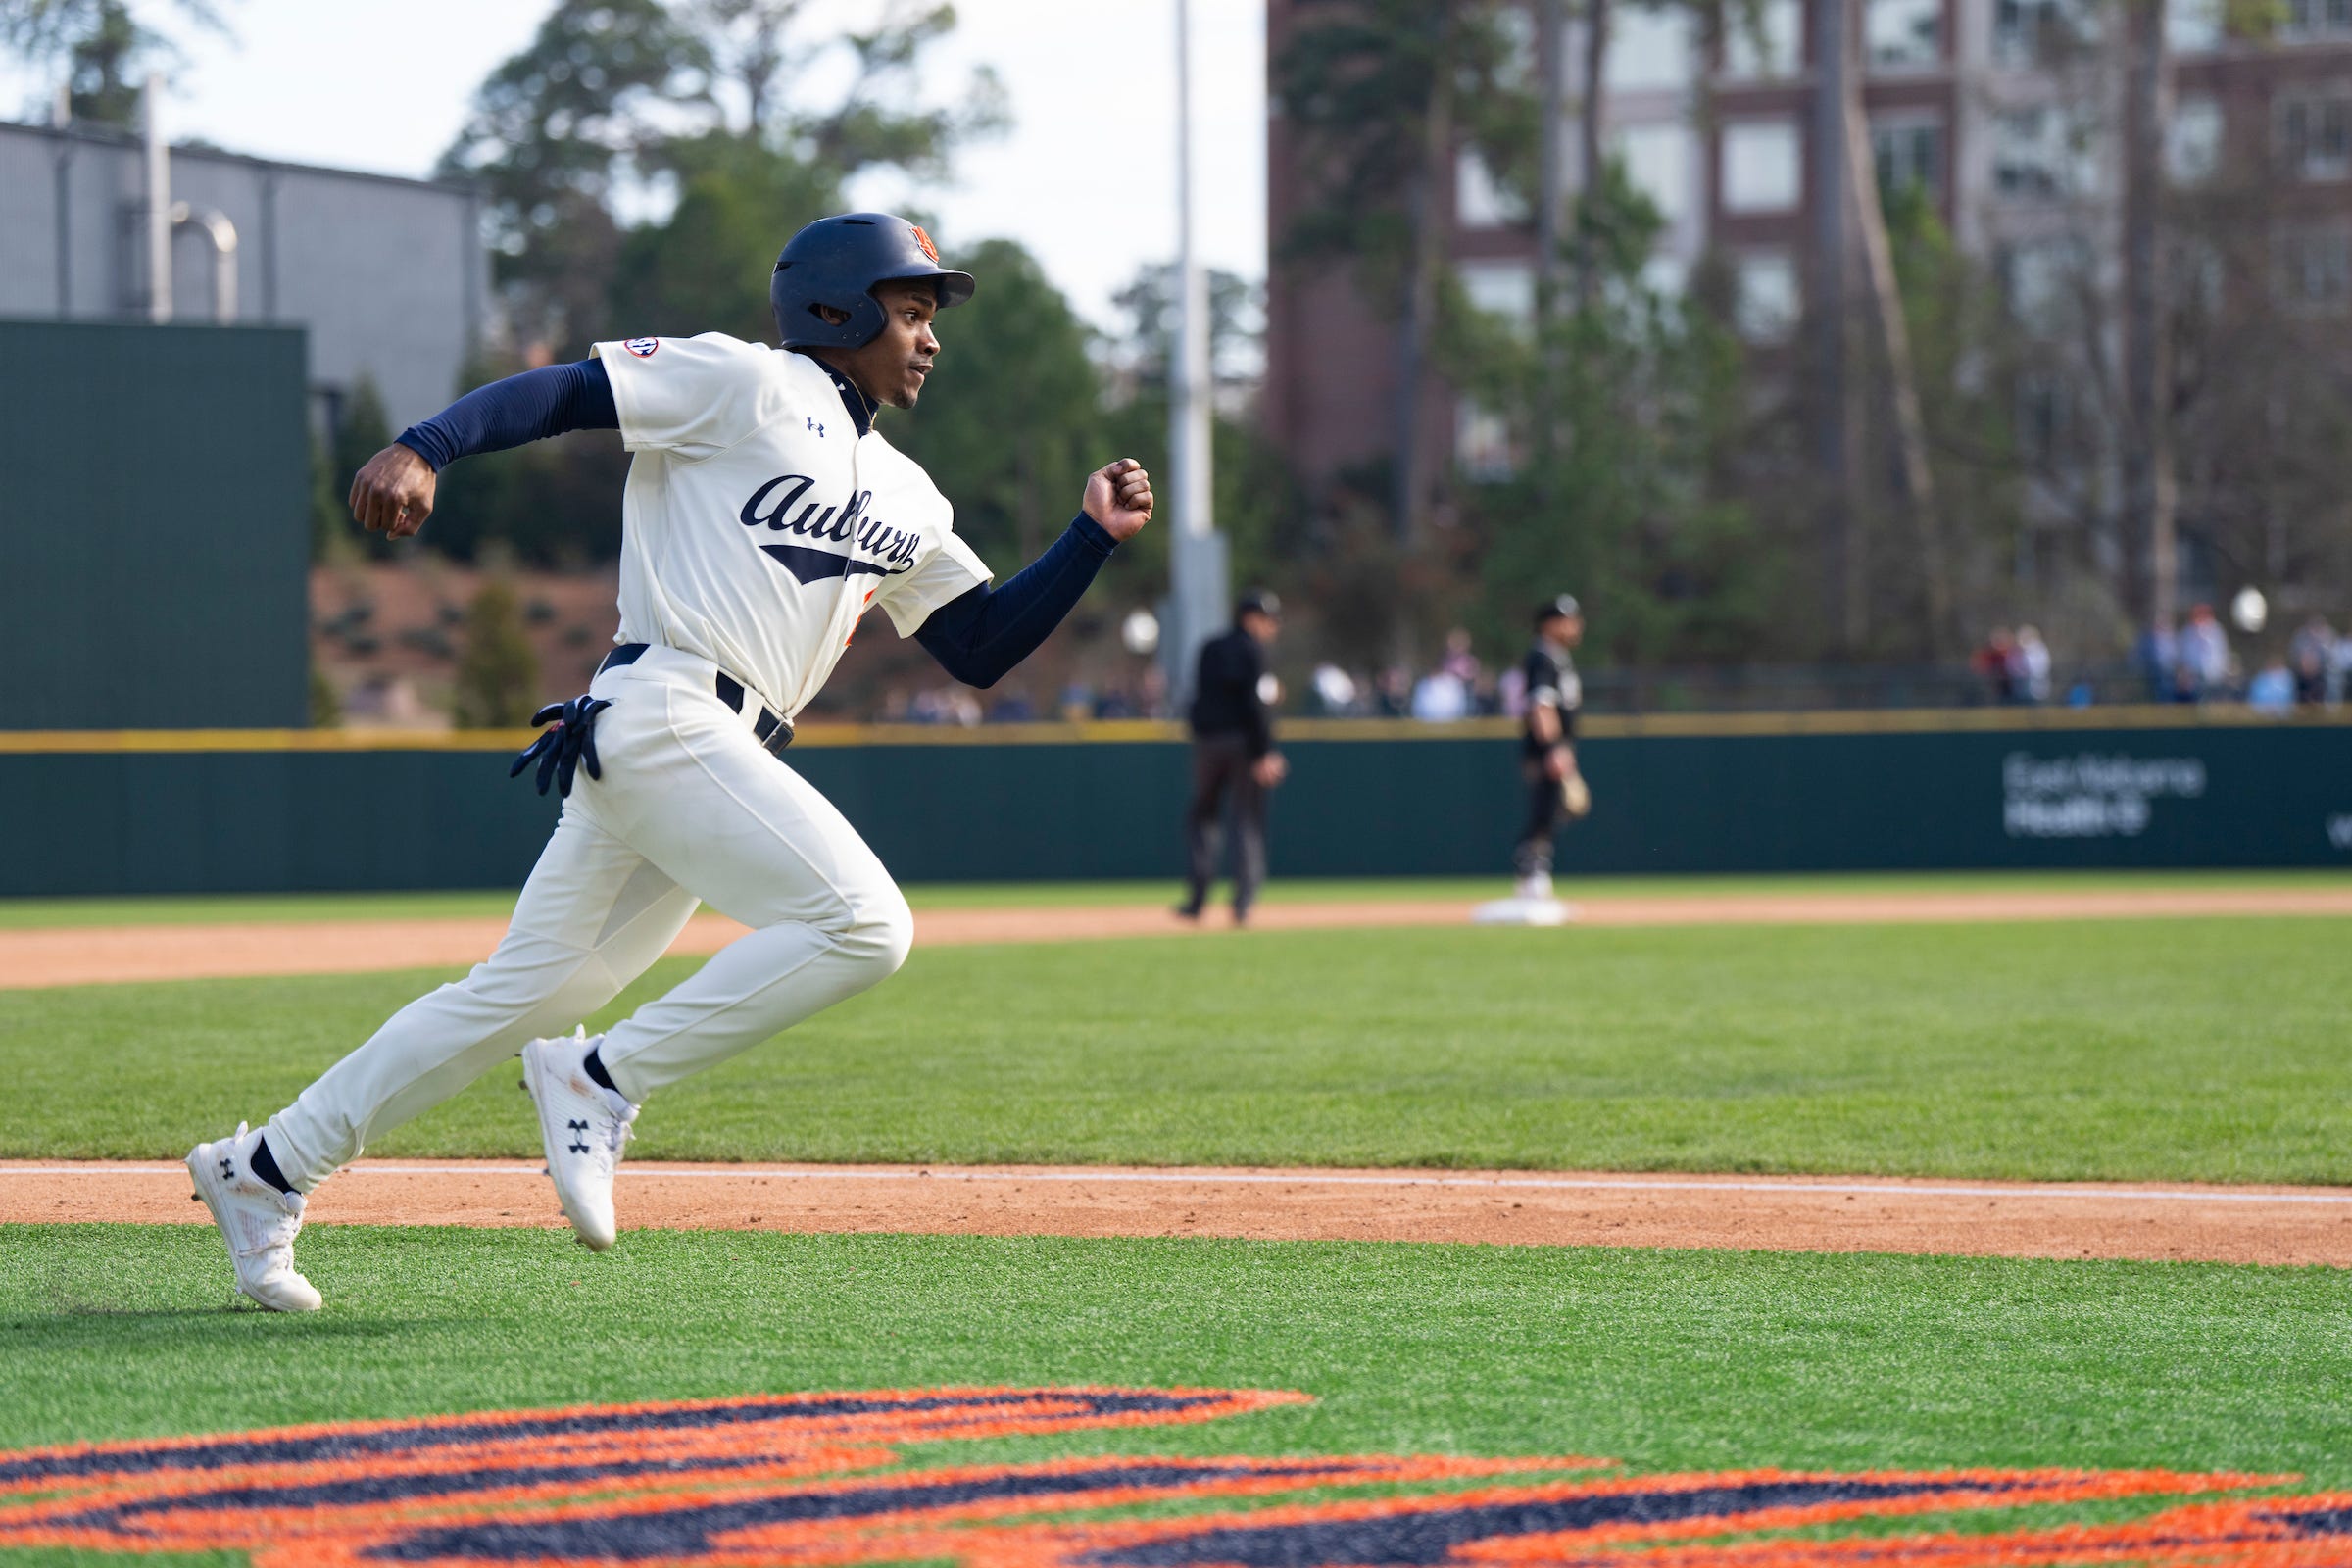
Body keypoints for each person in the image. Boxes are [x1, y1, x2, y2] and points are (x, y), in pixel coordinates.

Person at [182, 214, 1155, 1311]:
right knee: (866, 925)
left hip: (701, 745)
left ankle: (264, 1167)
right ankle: (604, 1076)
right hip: (664, 710)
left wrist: (1088, 540)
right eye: (911, 308)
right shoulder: (745, 382)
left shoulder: (908, 492)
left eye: (932, 315)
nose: (929, 337)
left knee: (516, 996)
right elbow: (564, 392)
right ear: (834, 305)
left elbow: (977, 643)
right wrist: (426, 444)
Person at [1179, 591, 1287, 924]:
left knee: (1204, 817)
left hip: (1209, 743)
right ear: (1251, 618)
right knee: (1247, 820)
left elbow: (1196, 697)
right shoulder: (1253, 650)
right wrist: (1264, 752)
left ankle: (1197, 900)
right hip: (1242, 745)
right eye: (1268, 620)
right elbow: (1254, 706)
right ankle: (1242, 902)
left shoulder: (1210, 647)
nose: (1273, 627)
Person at [1512, 595, 1590, 902]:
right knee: (1544, 811)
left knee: (1552, 812)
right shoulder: (1541, 657)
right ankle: (1531, 876)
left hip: (1556, 747)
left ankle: (1534, 874)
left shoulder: (1558, 657)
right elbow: (1541, 708)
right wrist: (1555, 749)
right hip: (1546, 749)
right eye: (1567, 620)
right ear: (1550, 624)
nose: (1574, 626)